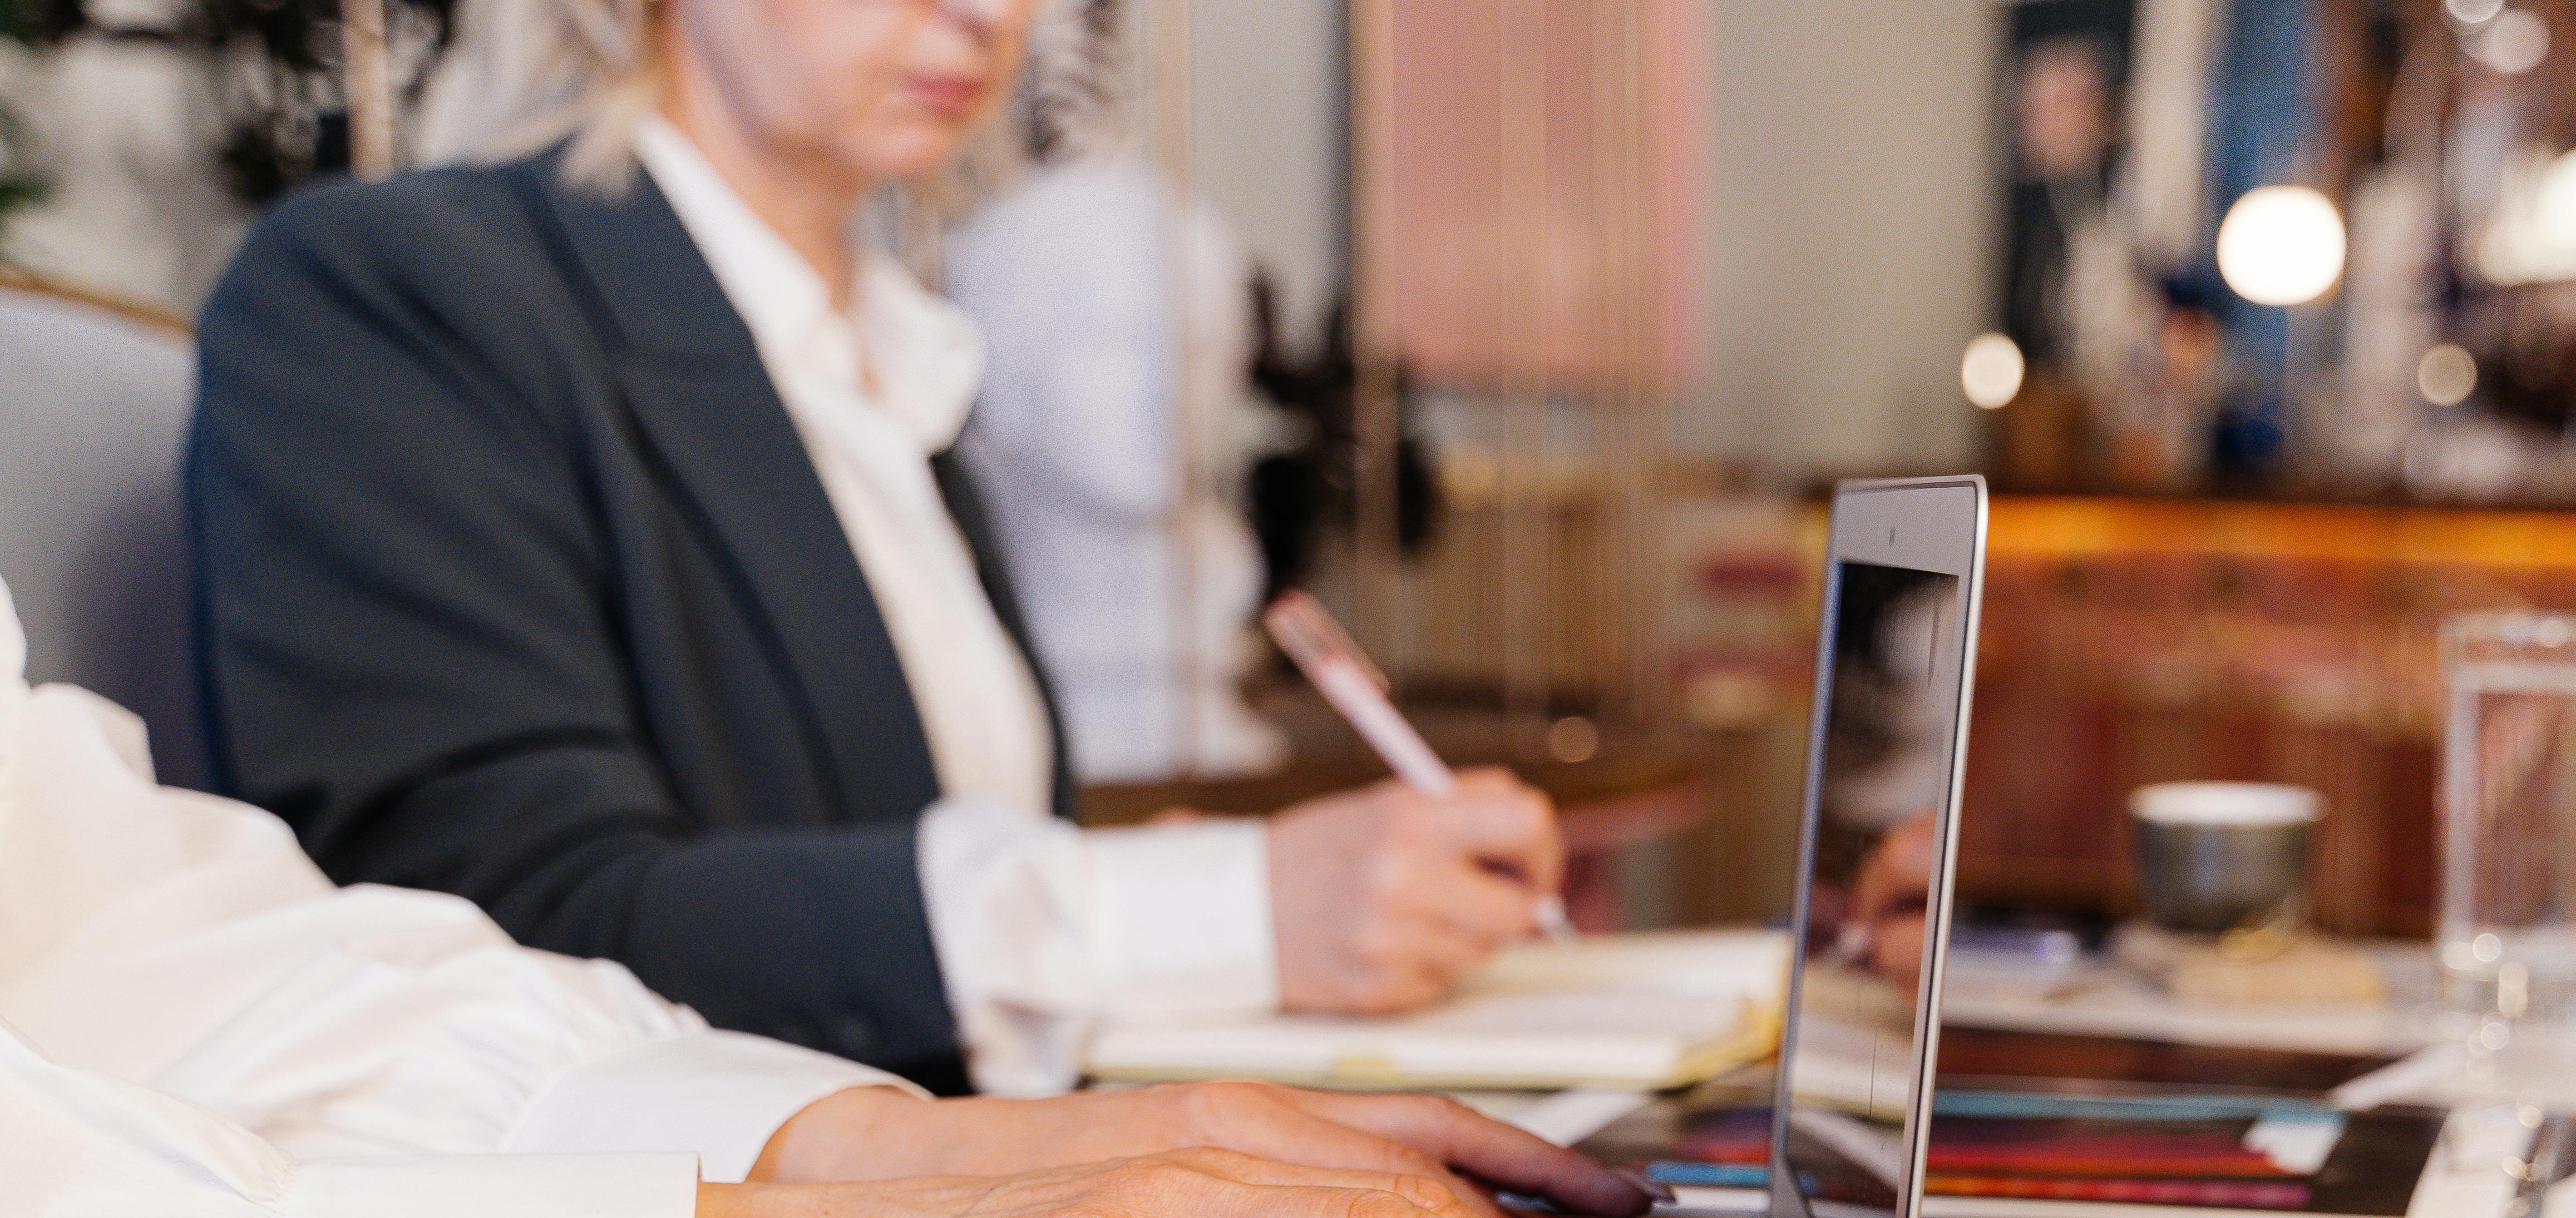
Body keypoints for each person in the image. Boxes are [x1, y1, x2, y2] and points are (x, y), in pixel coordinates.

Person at [0, 580, 1651, 1218]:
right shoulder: (398, 282)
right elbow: (538, 873)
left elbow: (133, 945)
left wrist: (877, 1157)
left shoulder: (920, 379)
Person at [187, 0, 1557, 1099]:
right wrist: (1192, 911)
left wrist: (1136, 889)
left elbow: (889, 857)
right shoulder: (398, 291)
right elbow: (504, 923)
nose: (987, 16)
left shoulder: (889, 368)